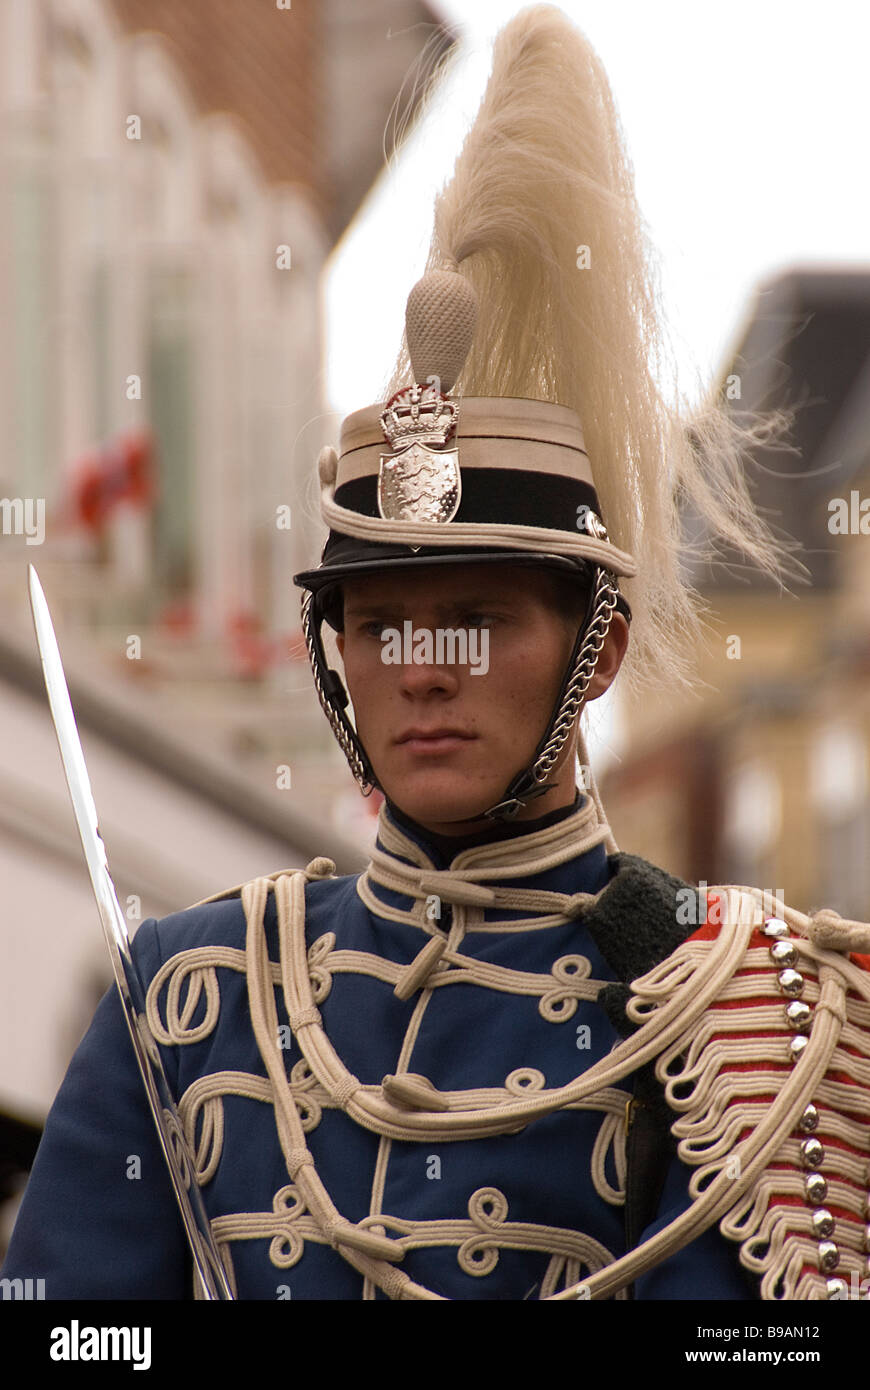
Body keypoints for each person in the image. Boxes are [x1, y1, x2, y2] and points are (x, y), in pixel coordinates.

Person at [4, 4, 870, 1303]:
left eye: (480, 617)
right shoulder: (188, 993)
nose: (422, 664)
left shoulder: (741, 1005)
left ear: (602, 647)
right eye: (380, 620)